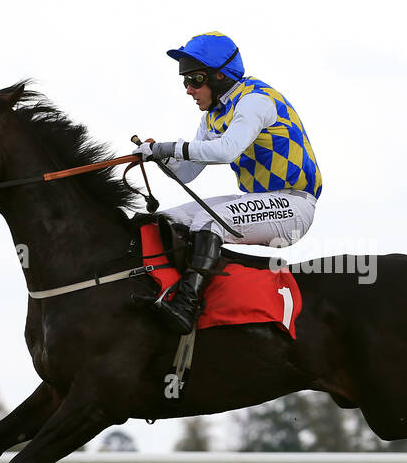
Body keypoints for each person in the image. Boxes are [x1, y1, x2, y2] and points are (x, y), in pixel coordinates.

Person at [133, 31, 322, 335]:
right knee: (165, 220)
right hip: (265, 203)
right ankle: (166, 288)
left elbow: (226, 150)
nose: (188, 90)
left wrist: (170, 147)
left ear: (219, 76)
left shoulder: (254, 101)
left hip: (295, 207)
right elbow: (188, 173)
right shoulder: (213, 116)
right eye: (185, 82)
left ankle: (187, 305)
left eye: (194, 80)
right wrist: (157, 158)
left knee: (209, 220)